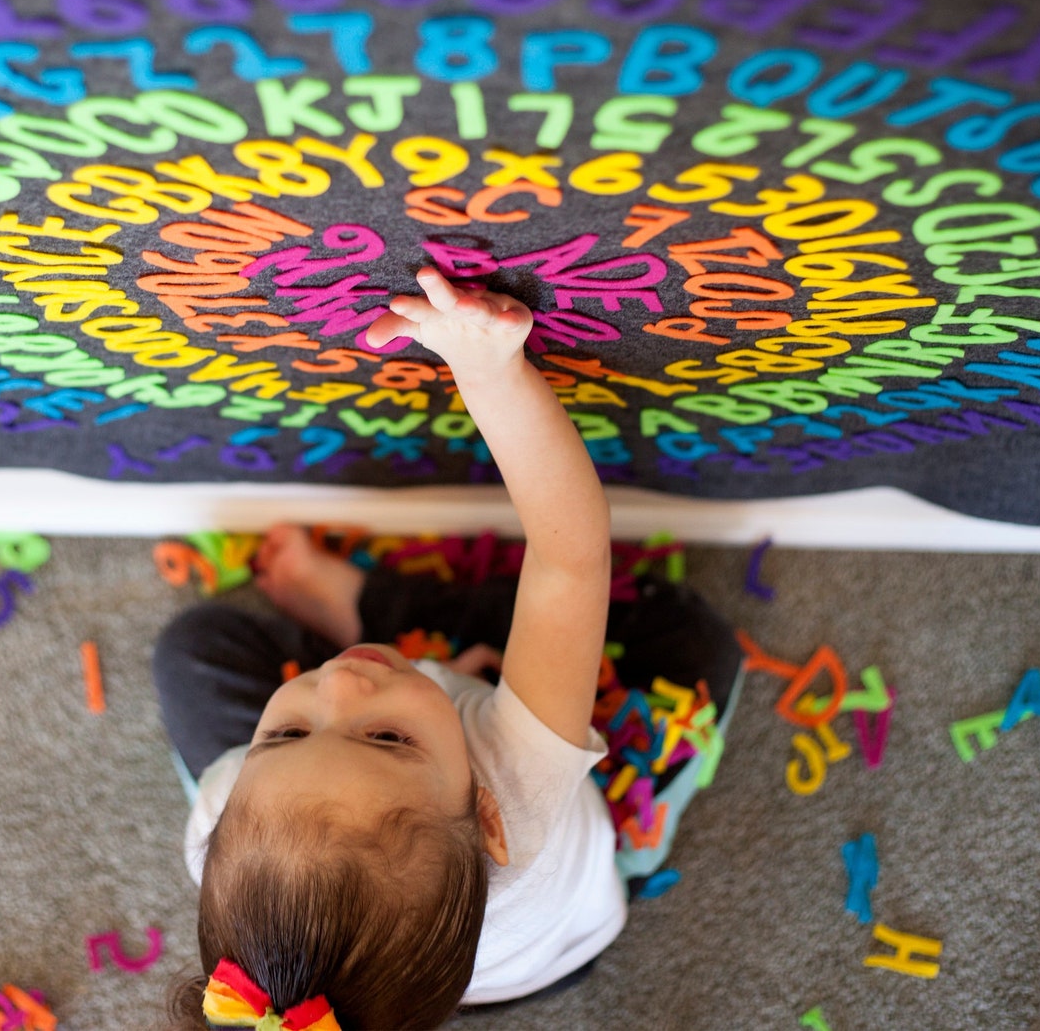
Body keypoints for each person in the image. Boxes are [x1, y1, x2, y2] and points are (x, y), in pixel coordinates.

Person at [153, 266, 741, 1030]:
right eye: (387, 738)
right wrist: (490, 372)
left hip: (411, 964)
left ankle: (368, 624)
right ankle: (372, 605)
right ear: (487, 818)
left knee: (193, 650)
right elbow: (569, 558)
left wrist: (397, 725)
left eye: (287, 733)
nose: (339, 685)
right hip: (555, 943)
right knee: (695, 640)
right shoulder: (519, 798)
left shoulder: (222, 825)